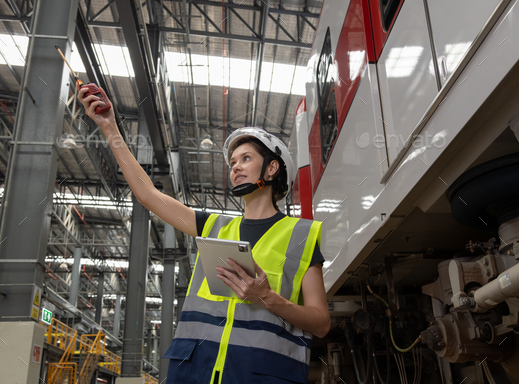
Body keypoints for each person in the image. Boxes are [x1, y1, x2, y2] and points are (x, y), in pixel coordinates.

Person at [78, 85, 331, 384]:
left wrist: (267, 299)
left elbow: (321, 323)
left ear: (272, 168)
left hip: (263, 376)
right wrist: (110, 127)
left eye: (246, 159)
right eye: (233, 162)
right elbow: (146, 194)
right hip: (195, 372)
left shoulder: (301, 235)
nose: (235, 167)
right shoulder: (214, 227)